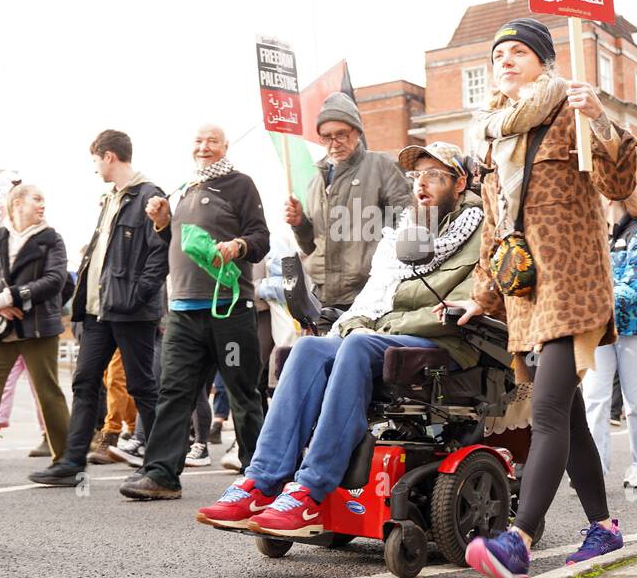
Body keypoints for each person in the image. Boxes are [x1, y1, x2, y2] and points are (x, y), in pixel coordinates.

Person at [195, 142, 484, 532]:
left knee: (358, 345)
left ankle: (311, 490)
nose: (421, 185)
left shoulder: (479, 229)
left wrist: (378, 327)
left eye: (434, 175)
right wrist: (353, 323)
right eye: (416, 176)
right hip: (386, 333)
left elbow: (463, 302)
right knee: (310, 346)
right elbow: (370, 300)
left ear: (459, 181)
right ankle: (261, 481)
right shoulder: (402, 235)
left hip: (446, 342)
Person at [443, 18, 637, 578]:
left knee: (547, 411)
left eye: (519, 51)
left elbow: (619, 184)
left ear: (543, 61)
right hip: (527, 293)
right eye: (498, 53)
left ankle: (519, 539)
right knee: (570, 417)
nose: (505, 60)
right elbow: (494, 230)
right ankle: (603, 527)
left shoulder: (569, 110)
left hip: (573, 281)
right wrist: (481, 297)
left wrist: (600, 117)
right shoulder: (494, 136)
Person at [118, 124, 269, 500]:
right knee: (173, 391)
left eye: (212, 141)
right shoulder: (184, 188)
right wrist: (163, 222)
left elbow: (260, 237)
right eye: (199, 141)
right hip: (183, 310)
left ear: (225, 146)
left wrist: (238, 246)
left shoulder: (241, 184)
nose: (204, 147)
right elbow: (176, 244)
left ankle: (260, 476)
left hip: (229, 308)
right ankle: (162, 475)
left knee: (242, 391)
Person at [29, 130, 168, 486]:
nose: (94, 169)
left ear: (108, 156)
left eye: (95, 160)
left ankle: (158, 466)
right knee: (85, 381)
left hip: (130, 310)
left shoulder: (150, 195)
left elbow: (160, 252)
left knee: (142, 386)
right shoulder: (110, 199)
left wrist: (137, 295)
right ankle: (72, 462)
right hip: (98, 312)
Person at [0, 184, 71, 480]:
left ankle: (68, 463)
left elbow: (56, 279)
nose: (43, 205)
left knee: (49, 394)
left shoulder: (51, 238)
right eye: (37, 199)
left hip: (38, 328)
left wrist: (14, 296)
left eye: (43, 199)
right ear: (17, 204)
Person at [286, 92, 412, 308]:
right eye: (326, 137)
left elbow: (406, 225)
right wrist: (299, 224)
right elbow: (309, 245)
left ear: (357, 132)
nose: (334, 143)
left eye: (341, 134)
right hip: (324, 298)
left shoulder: (382, 166)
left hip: (371, 296)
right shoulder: (314, 181)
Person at [581, 192, 637, 488]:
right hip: (601, 328)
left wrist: (598, 302)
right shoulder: (601, 234)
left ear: (613, 200)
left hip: (636, 329)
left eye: (599, 196)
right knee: (595, 399)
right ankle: (594, 469)